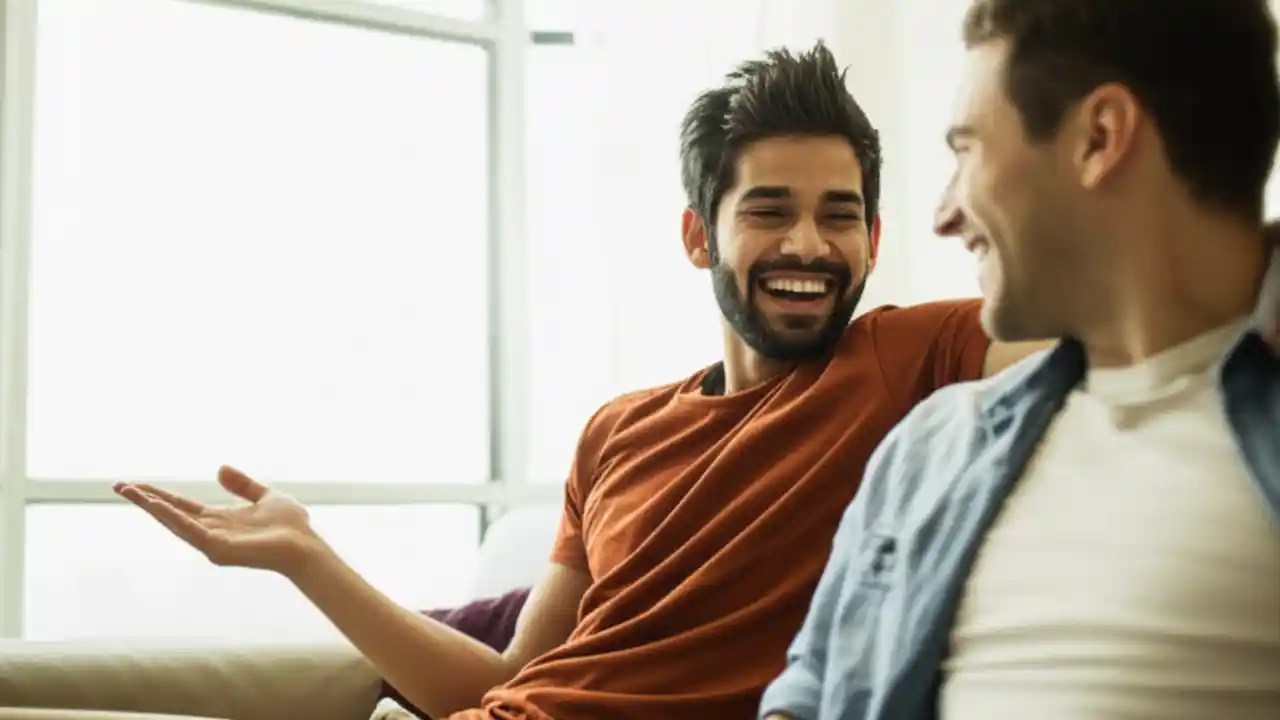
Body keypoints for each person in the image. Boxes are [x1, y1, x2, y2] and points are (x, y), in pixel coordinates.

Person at [113, 42, 1046, 720]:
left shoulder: (910, 355)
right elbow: (505, 683)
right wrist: (306, 559)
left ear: (874, 243)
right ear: (698, 237)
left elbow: (1102, 323)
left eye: (839, 217)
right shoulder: (616, 432)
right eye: (770, 211)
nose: (808, 243)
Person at [760, 1, 1280, 719]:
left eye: (966, 150)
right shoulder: (932, 450)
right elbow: (810, 687)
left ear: (1099, 138)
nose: (944, 214)